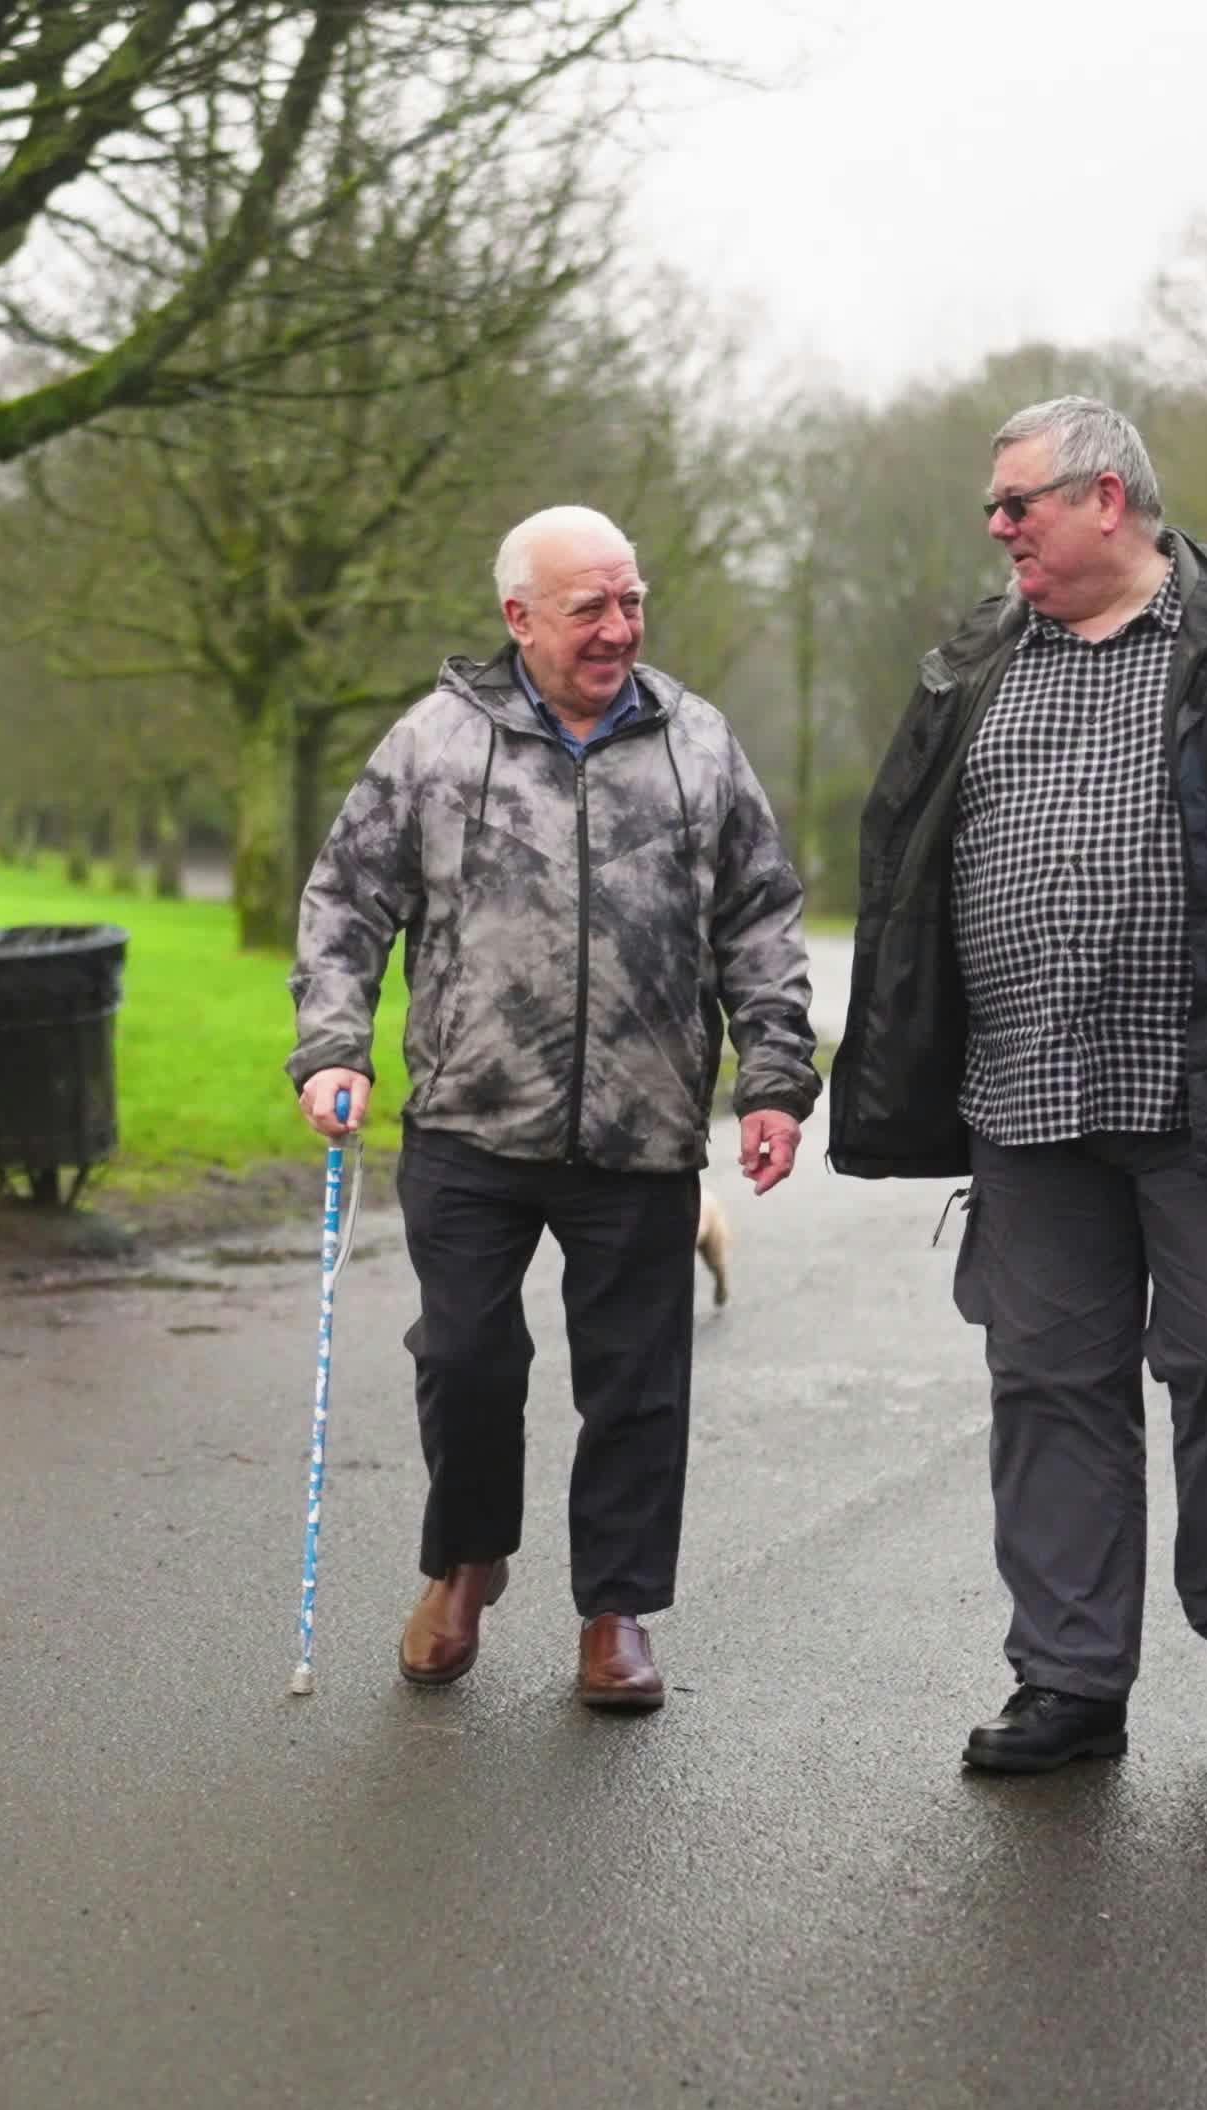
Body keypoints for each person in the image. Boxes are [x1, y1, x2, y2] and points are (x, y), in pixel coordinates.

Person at [828, 397, 1207, 1772]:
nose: (998, 528)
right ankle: (1071, 1684)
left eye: (1018, 502)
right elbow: (903, 871)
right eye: (995, 508)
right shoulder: (973, 662)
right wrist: (908, 1063)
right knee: (1050, 1389)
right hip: (1026, 1100)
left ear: (1106, 500)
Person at [288, 503, 819, 1712]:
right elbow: (345, 902)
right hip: (473, 1118)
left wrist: (775, 1077)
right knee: (468, 1359)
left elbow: (761, 919)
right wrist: (334, 1047)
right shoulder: (434, 743)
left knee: (637, 1380)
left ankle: (616, 1613)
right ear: (518, 618)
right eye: (591, 608)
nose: (619, 628)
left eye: (632, 601)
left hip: (642, 1127)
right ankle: (467, 1561)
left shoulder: (697, 742)